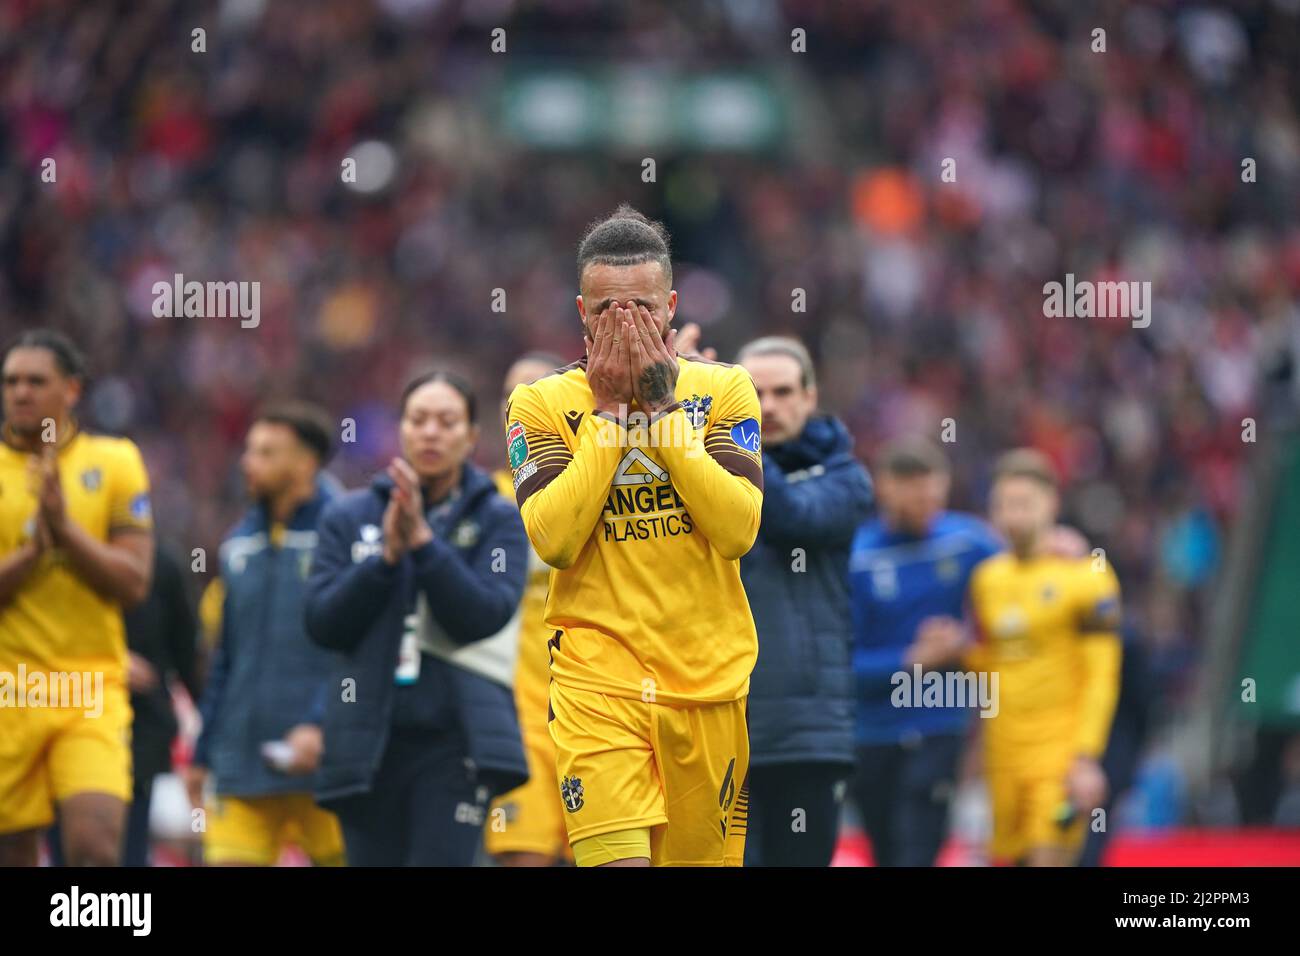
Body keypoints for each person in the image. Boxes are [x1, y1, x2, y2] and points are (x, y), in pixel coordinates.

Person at [505, 204, 763, 867]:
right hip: (597, 679)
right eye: (606, 310)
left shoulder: (727, 390)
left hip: (709, 682)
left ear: (673, 304)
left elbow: (736, 531)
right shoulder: (537, 405)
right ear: (580, 312)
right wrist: (611, 414)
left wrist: (665, 411)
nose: (625, 323)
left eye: (643, 308)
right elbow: (555, 540)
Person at [306, 370, 529, 866]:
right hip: (366, 743)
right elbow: (322, 622)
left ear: (472, 436)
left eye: (447, 422)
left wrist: (424, 545)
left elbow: (485, 613)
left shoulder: (498, 518)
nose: (431, 432)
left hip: (457, 741)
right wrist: (385, 558)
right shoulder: (349, 516)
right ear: (401, 429)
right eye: (419, 420)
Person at [0, 330, 154, 866]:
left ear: (71, 390)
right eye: (11, 381)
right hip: (9, 690)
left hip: (90, 687)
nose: (20, 393)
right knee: (12, 850)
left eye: (35, 381)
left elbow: (134, 583)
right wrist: (30, 556)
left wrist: (65, 532)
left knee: (93, 849)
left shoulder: (115, 462)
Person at [732, 336, 872, 867]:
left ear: (811, 397)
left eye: (783, 391)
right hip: (718, 722)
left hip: (807, 731)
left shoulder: (844, 478)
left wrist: (728, 437)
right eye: (752, 392)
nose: (767, 407)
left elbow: (796, 520)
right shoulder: (700, 471)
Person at [187, 403, 346, 866]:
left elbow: (359, 648)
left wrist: (322, 724)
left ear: (304, 462)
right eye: (249, 450)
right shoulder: (239, 544)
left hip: (324, 762)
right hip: (242, 764)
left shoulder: (347, 533)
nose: (247, 462)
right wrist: (203, 751)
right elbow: (226, 658)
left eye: (265, 452)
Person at [964, 448, 1123, 866]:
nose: (1011, 515)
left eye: (1023, 504)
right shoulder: (987, 580)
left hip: (1060, 758)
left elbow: (1102, 674)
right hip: (1003, 757)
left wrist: (1087, 758)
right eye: (1001, 505)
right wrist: (955, 653)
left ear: (1051, 503)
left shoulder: (1087, 578)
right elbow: (990, 664)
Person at [847, 437, 1002, 866]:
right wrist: (910, 661)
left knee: (918, 847)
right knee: (887, 848)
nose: (926, 504)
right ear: (885, 488)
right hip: (873, 730)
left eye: (934, 494)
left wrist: (966, 641)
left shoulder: (968, 542)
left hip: (939, 719)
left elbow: (1018, 587)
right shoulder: (856, 556)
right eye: (915, 493)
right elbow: (841, 664)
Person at [484, 352, 573, 867]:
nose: (519, 407)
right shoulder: (486, 506)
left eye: (533, 392)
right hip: (518, 726)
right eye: (509, 398)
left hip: (598, 714)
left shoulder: (600, 488)